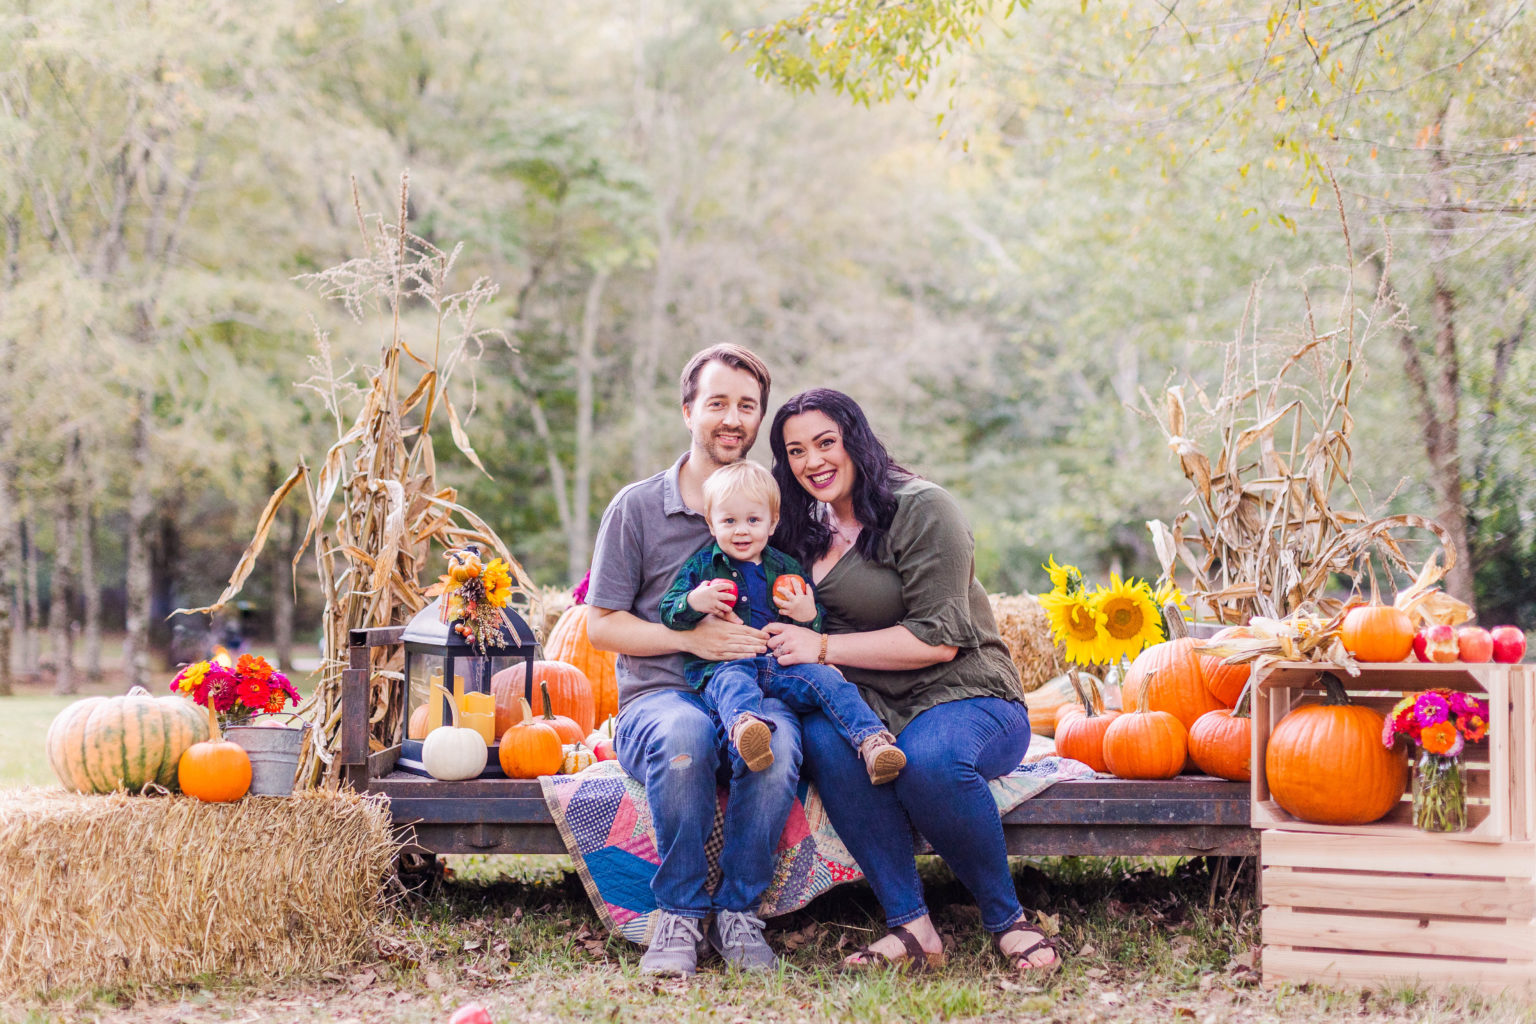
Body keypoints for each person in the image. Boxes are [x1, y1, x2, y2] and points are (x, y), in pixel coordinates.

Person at [761, 388, 1062, 975]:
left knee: (926, 760)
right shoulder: (798, 530)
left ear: (856, 439)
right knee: (824, 742)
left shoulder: (922, 508)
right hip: (869, 702)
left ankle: (1006, 919)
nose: (813, 461)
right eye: (796, 451)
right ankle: (913, 927)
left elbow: (938, 638)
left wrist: (820, 646)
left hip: (965, 691)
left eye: (826, 442)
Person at [585, 344, 801, 977]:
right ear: (687, 411)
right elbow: (600, 626)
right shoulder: (637, 508)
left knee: (779, 744)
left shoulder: (770, 508)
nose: (732, 418)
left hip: (754, 693)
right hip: (661, 698)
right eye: (717, 403)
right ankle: (679, 912)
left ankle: (738, 911)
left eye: (747, 406)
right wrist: (690, 639)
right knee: (685, 735)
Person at [659, 460, 906, 785]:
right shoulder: (703, 568)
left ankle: (872, 743)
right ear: (711, 523)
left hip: (782, 665)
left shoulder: (786, 568)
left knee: (829, 680)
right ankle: (747, 729)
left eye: (753, 520)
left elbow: (814, 625)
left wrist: (808, 614)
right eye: (729, 520)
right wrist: (693, 601)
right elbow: (668, 610)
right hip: (726, 664)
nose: (742, 530)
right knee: (734, 683)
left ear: (772, 523)